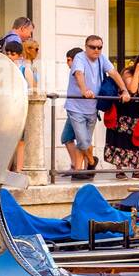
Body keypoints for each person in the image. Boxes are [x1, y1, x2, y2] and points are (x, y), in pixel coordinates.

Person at [68, 34, 129, 177]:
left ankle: (78, 172)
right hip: (76, 107)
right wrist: (84, 90)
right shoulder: (80, 58)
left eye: (99, 47)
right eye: (93, 47)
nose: (96, 50)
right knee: (83, 141)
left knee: (86, 140)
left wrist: (124, 90)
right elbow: (78, 74)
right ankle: (91, 161)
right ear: (86, 47)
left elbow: (113, 73)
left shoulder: (102, 58)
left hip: (93, 108)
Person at [101, 53, 139, 179]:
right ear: (137, 63)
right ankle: (119, 170)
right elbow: (132, 90)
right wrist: (137, 71)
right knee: (121, 139)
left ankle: (137, 170)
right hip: (125, 112)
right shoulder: (128, 72)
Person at [5, 40, 36, 172]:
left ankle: (19, 169)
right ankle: (5, 169)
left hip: (21, 108)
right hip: (7, 109)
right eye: (7, 53)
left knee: (20, 141)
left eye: (12, 54)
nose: (9, 57)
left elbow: (33, 90)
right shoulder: (3, 70)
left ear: (19, 55)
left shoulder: (25, 70)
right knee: (7, 139)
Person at [59, 47, 83, 178]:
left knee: (81, 139)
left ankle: (81, 167)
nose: (67, 63)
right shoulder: (74, 72)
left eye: (69, 60)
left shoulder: (81, 71)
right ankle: (75, 165)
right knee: (67, 138)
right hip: (72, 109)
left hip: (78, 110)